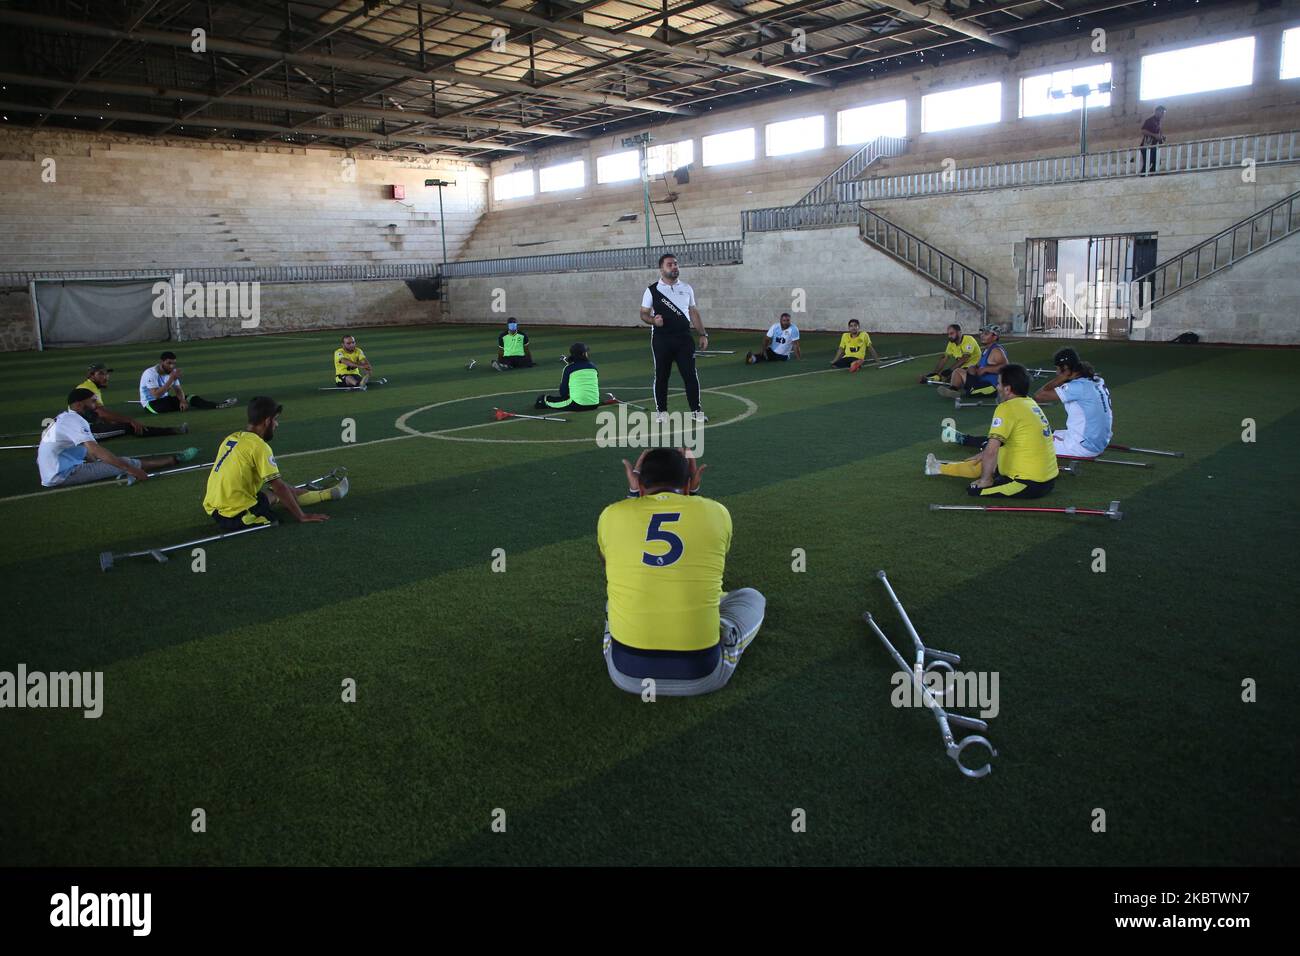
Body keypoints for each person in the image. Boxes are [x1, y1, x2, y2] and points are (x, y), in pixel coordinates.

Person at [598, 447, 765, 696]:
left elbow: (608, 561)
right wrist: (694, 494)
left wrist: (633, 496)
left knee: (615, 603)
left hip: (626, 674)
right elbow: (714, 556)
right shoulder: (717, 512)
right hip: (702, 673)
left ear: (639, 484)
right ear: (690, 483)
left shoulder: (611, 514)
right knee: (753, 597)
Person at [202, 396, 347, 530]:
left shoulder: (232, 438)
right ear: (267, 421)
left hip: (214, 507)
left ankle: (327, 494)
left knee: (276, 492)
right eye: (275, 419)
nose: (276, 424)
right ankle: (326, 495)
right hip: (233, 515)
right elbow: (278, 487)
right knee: (277, 495)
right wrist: (302, 516)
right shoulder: (259, 446)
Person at [924, 364, 1059, 498]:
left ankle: (938, 468)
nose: (997, 387)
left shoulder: (1006, 408)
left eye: (999, 384)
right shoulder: (1030, 403)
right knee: (987, 461)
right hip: (1048, 479)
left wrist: (985, 480)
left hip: (1030, 483)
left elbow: (992, 450)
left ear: (1007, 389)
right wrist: (986, 453)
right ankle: (937, 468)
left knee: (974, 489)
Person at [37, 388, 198, 488]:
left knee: (110, 461)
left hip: (53, 470)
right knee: (125, 462)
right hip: (61, 475)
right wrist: (132, 470)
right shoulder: (75, 421)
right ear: (79, 405)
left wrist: (96, 461)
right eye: (93, 402)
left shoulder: (66, 418)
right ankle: (174, 460)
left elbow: (85, 450)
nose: (96, 406)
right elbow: (95, 449)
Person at [639, 253, 709, 424]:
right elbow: (643, 314)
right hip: (662, 340)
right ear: (661, 268)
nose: (674, 267)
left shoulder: (687, 288)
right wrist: (653, 321)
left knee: (690, 375)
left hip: (684, 340)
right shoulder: (652, 290)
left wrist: (702, 334)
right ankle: (661, 412)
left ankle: (696, 411)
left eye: (676, 264)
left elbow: (693, 312)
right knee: (662, 376)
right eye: (670, 264)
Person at [1035, 347, 1114, 459]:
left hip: (1083, 447)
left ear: (1066, 368)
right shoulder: (1097, 380)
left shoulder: (1076, 387)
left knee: (1030, 442)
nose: (1057, 372)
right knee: (1044, 433)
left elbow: (1039, 395)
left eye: (1058, 369)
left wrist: (1062, 378)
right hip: (1099, 441)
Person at [75, 363, 187, 438]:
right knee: (129, 427)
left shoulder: (91, 387)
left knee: (122, 423)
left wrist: (115, 421)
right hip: (85, 432)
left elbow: (98, 413)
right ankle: (172, 431)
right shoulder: (87, 389)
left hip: (86, 425)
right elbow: (101, 413)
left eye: (106, 373)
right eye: (101, 374)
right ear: (91, 375)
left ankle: (171, 430)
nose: (106, 377)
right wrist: (129, 420)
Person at [139, 351, 236, 413]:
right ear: (162, 362)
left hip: (165, 400)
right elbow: (156, 395)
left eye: (173, 363)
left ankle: (217, 405)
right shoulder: (150, 373)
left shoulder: (172, 372)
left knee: (191, 398)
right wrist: (171, 379)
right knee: (179, 403)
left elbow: (178, 389)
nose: (172, 366)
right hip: (151, 405)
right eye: (169, 363)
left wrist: (182, 400)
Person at [941, 325, 1009, 398]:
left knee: (969, 393)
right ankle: (953, 390)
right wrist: (973, 368)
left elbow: (1006, 368)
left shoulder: (996, 350)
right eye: (982, 333)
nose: (982, 336)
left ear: (995, 337)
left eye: (986, 334)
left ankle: (967, 391)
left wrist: (986, 369)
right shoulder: (986, 350)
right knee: (958, 371)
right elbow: (981, 366)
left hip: (991, 387)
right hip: (980, 381)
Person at [536, 343, 601, 412]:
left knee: (543, 400)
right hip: (595, 403)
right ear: (583, 354)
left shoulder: (568, 368)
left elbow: (563, 392)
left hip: (578, 405)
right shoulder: (593, 367)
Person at [1139, 106, 1167, 175]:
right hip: (1146, 146)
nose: (1163, 114)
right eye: (1162, 112)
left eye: (1164, 113)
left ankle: (1151, 175)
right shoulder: (1150, 120)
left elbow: (1159, 132)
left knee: (1157, 162)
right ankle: (1142, 177)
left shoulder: (1159, 122)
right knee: (1148, 162)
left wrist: (1162, 137)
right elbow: (1143, 131)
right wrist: (1154, 135)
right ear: (1157, 111)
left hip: (1153, 146)